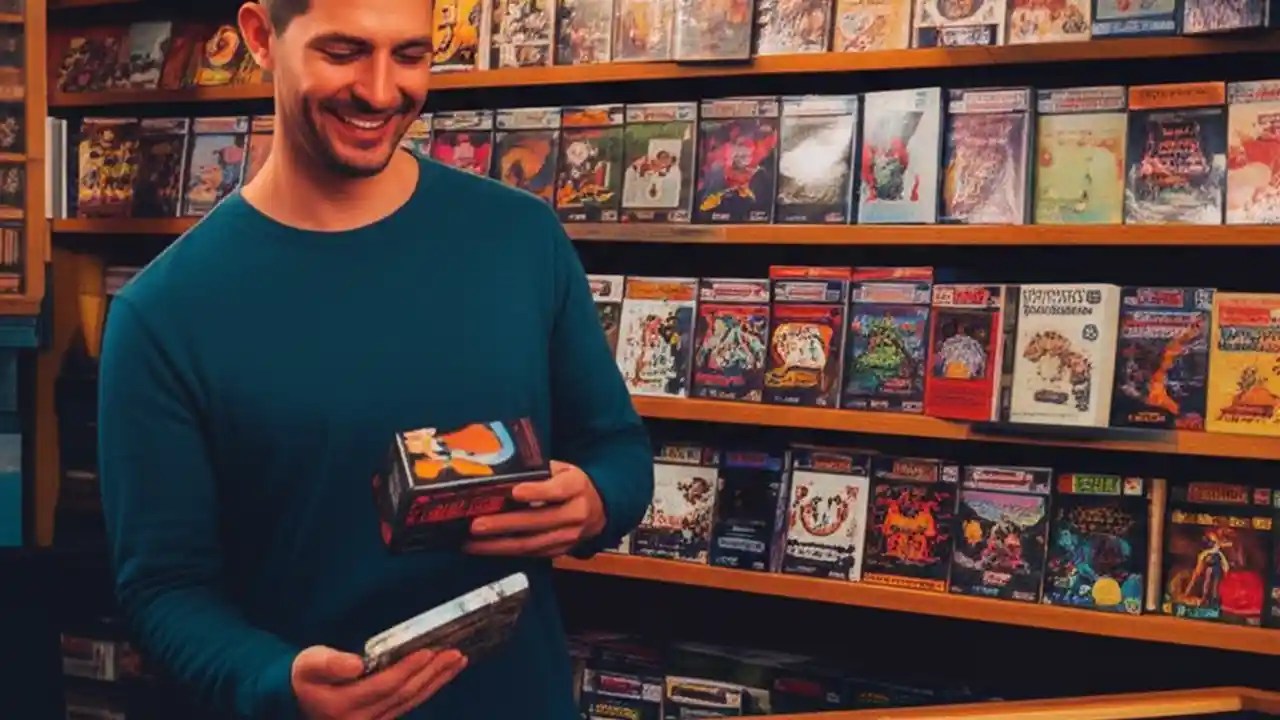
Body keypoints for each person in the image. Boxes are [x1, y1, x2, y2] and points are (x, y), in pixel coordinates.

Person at [95, 0, 655, 718]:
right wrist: (275, 680)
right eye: (343, 52)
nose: (382, 91)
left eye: (411, 55)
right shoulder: (163, 314)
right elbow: (162, 590)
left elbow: (618, 448)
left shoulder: (520, 237)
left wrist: (597, 501)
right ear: (262, 37)